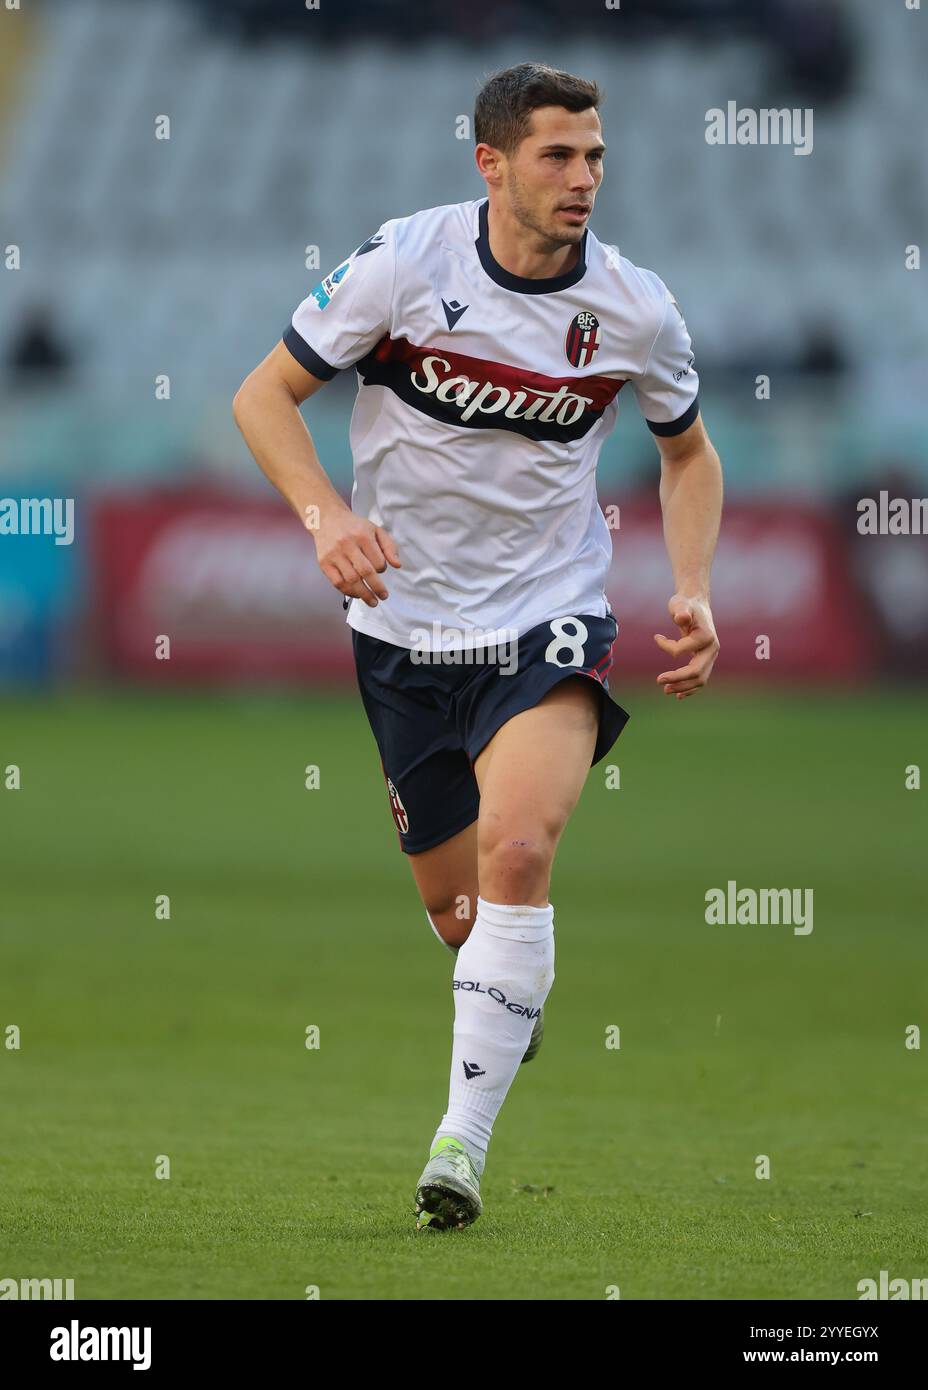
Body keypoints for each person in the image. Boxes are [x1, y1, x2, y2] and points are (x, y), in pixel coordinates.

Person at [233, 62, 722, 1231]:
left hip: (543, 618)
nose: (583, 178)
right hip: (401, 629)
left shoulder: (633, 307)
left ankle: (460, 1144)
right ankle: (506, 985)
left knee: (518, 849)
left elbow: (688, 452)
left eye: (595, 154)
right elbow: (262, 396)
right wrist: (328, 519)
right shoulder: (405, 262)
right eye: (557, 155)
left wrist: (695, 586)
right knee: (463, 921)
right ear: (490, 163)